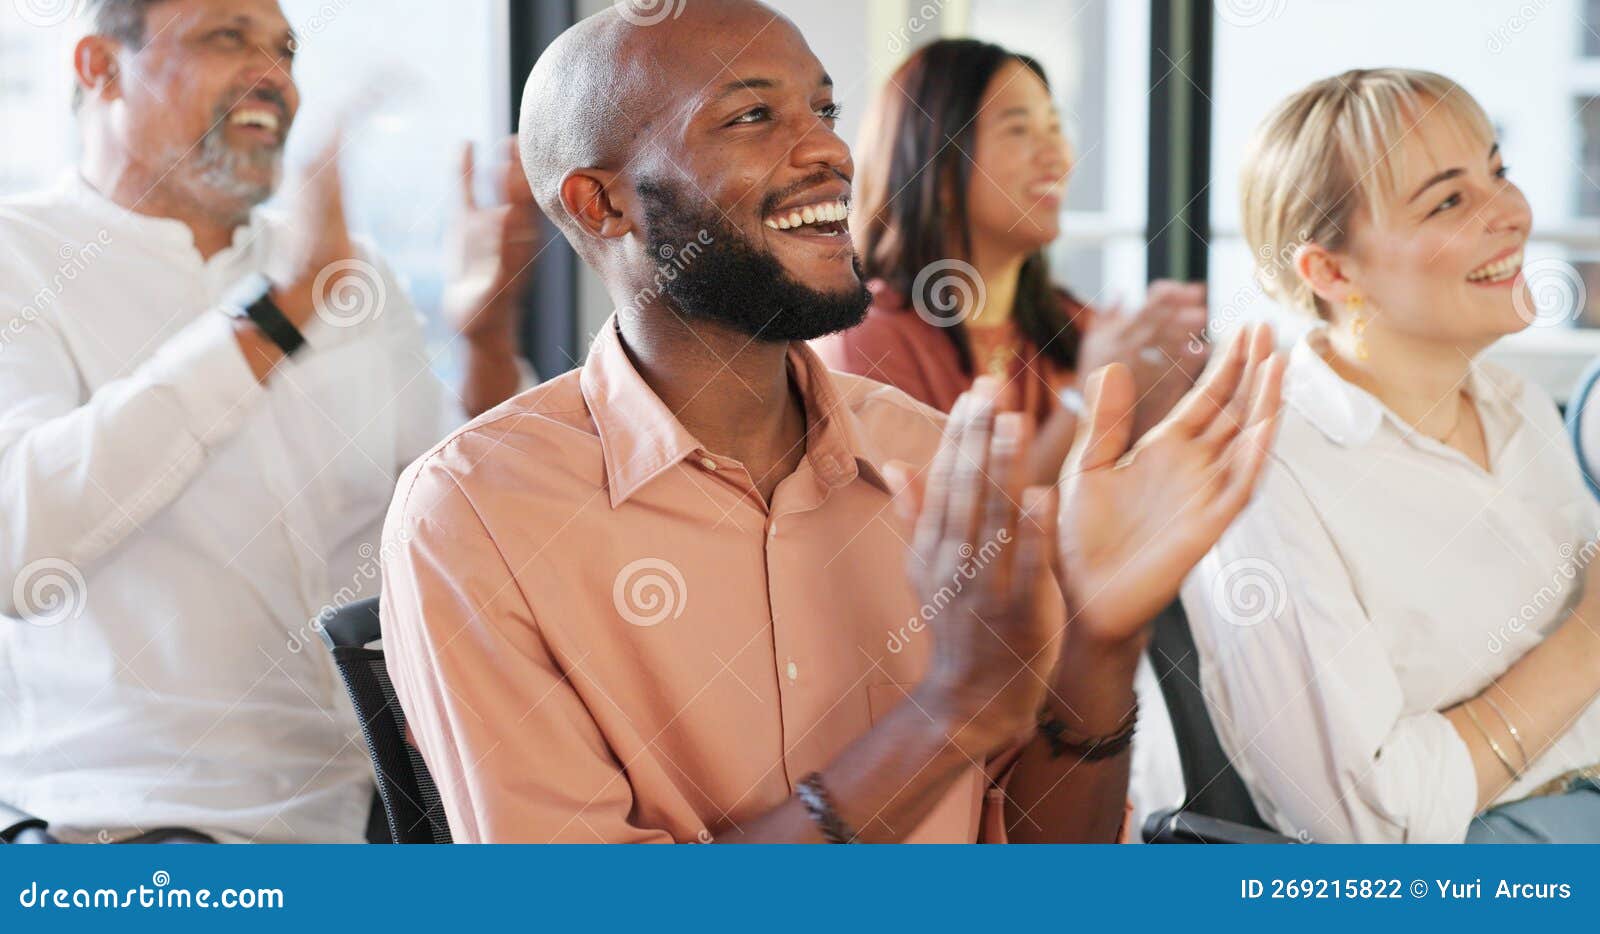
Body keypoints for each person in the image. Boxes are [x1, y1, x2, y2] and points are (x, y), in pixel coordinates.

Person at [381, 0, 1284, 844]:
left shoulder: (929, 459)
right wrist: (950, 712)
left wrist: (1100, 644)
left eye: (824, 108)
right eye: (751, 118)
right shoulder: (477, 516)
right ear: (602, 204)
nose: (830, 153)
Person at [0, 0, 536, 843]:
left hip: (384, 821)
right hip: (127, 844)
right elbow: (17, 542)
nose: (275, 76)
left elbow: (473, 533)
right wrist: (274, 314)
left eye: (283, 49)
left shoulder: (349, 277)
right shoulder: (17, 258)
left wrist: (489, 338)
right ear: (100, 68)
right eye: (227, 37)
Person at [1181, 68, 1600, 844]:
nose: (1510, 213)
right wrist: (1588, 645)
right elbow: (1370, 827)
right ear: (1331, 272)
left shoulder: (1520, 406)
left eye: (1498, 172)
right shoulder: (1269, 480)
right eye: (1449, 199)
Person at [812, 38, 1207, 475]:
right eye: (1019, 130)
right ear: (939, 169)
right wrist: (1085, 402)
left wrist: (1164, 398)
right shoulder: (868, 339)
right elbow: (956, 535)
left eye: (1056, 128)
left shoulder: (1079, 328)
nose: (1056, 156)